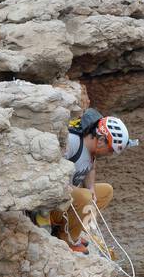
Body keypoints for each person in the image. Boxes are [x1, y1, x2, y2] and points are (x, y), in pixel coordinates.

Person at [47, 107, 132, 253]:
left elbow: (91, 169)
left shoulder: (92, 152)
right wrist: (78, 191)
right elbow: (52, 172)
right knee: (84, 196)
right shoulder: (73, 143)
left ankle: (71, 228)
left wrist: (91, 188)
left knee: (105, 192)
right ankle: (68, 239)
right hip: (51, 205)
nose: (110, 154)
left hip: (69, 201)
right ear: (100, 141)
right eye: (111, 149)